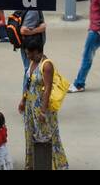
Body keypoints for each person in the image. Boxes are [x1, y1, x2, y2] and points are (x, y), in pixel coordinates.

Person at [19, 40, 67, 170]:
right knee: (30, 135)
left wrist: (42, 111)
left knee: (48, 137)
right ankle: (33, 164)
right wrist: (23, 100)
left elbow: (47, 89)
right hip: (30, 106)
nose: (27, 56)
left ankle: (55, 165)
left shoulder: (46, 66)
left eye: (29, 53)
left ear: (37, 52)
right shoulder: (32, 61)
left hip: (41, 107)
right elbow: (28, 82)